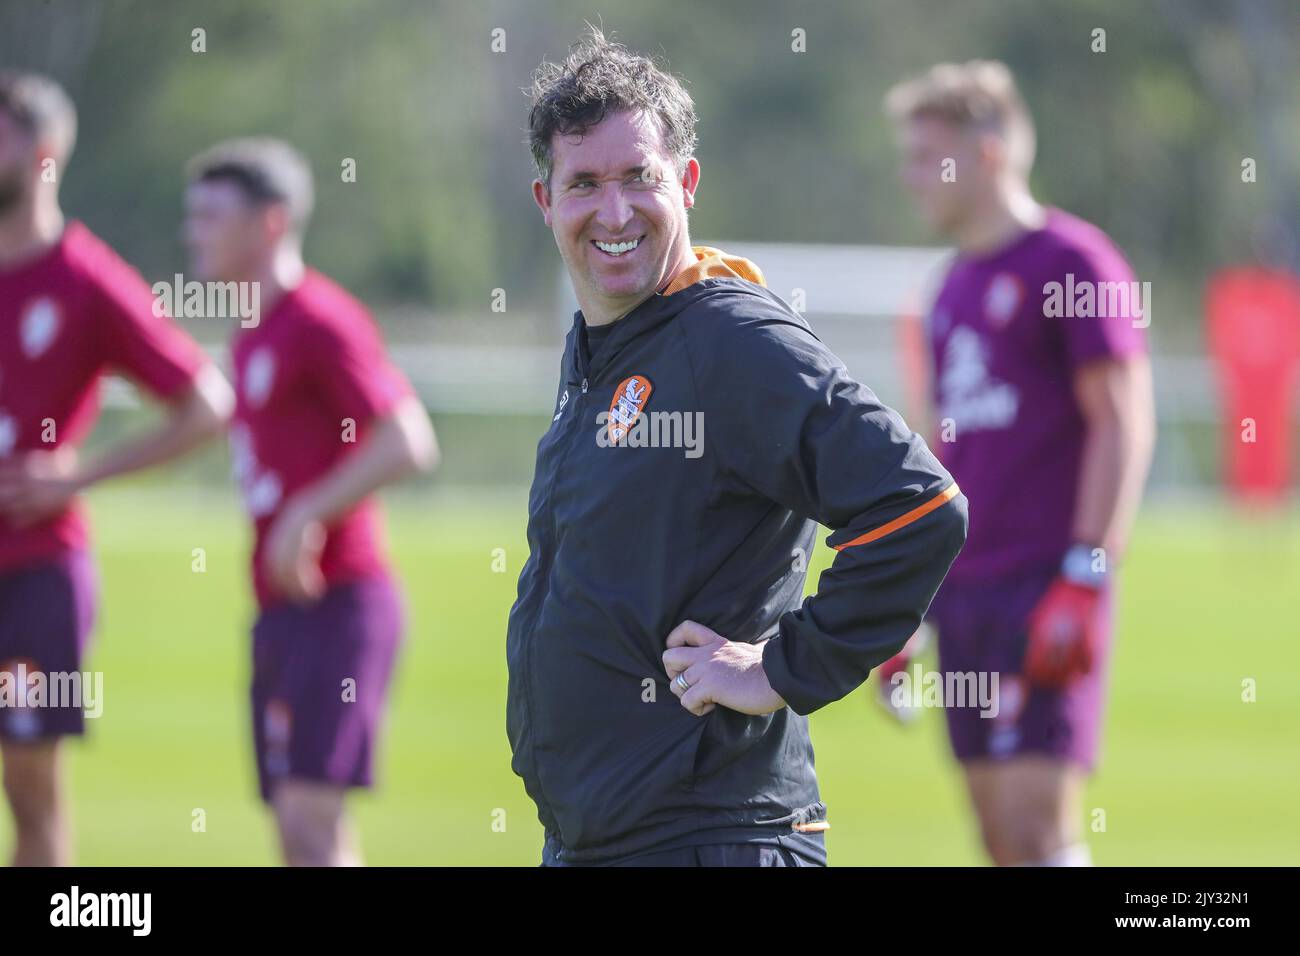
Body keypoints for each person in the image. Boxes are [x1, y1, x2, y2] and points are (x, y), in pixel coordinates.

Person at [507, 28, 967, 867]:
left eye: (638, 178)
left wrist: (782, 669)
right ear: (546, 200)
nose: (614, 213)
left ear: (685, 182)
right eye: (585, 184)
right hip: (604, 840)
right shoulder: (608, 349)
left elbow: (920, 505)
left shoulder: (730, 338)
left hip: (713, 837)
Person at [884, 60, 1155, 865]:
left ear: (990, 153)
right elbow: (942, 453)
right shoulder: (946, 289)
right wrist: (910, 601)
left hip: (1048, 585)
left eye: (927, 156)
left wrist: (1087, 571)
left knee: (1037, 831)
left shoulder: (1074, 262)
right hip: (964, 593)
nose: (910, 177)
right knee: (1000, 837)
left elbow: (1123, 420)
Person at [183, 137, 437, 866]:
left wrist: (305, 513)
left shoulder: (322, 319)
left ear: (270, 222)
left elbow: (408, 440)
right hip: (281, 611)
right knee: (296, 832)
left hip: (343, 604)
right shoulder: (251, 330)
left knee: (310, 821)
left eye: (210, 215)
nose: (192, 231)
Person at [0, 71, 232, 865]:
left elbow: (207, 403)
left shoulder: (86, 280)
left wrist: (75, 477)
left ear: (45, 152)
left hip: (31, 576)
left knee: (29, 790)